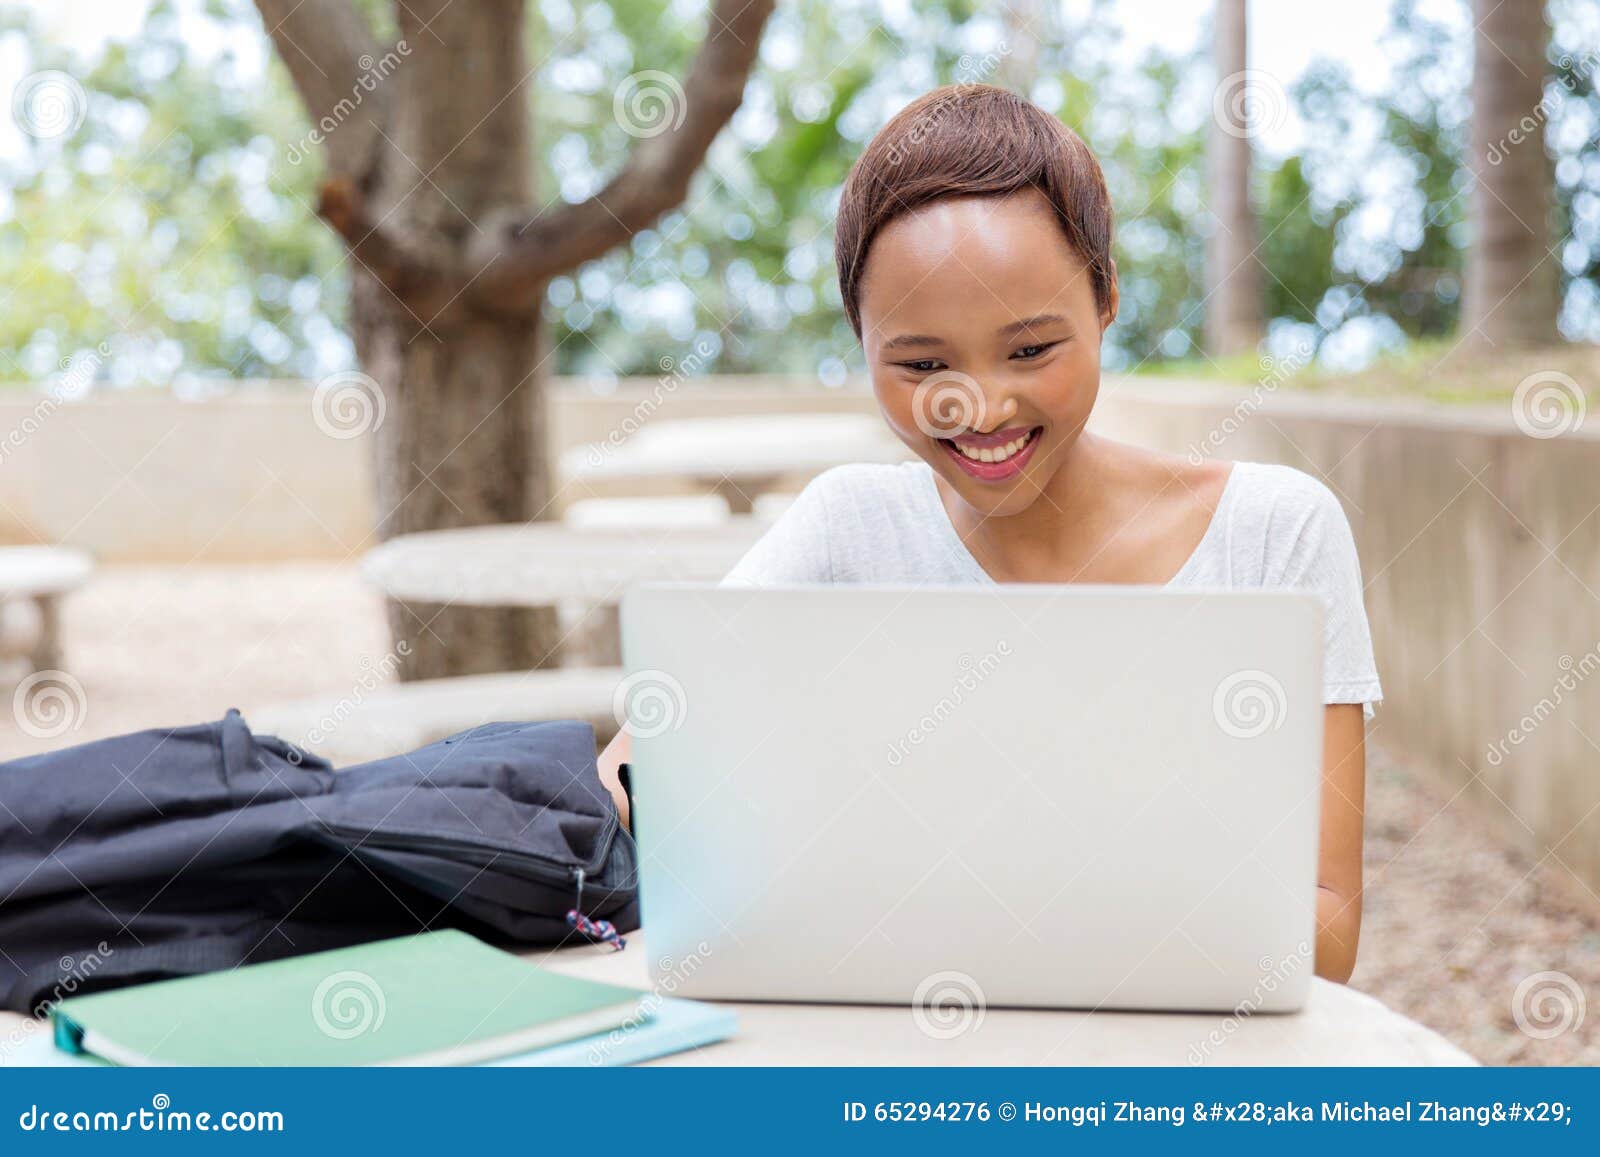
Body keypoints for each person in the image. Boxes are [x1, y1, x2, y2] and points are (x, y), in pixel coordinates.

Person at [599, 83, 1382, 984]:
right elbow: (629, 792)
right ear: (861, 340)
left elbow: (1326, 938)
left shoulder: (1272, 535)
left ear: (1106, 300)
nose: (977, 407)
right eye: (922, 363)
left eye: (1030, 350)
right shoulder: (847, 531)